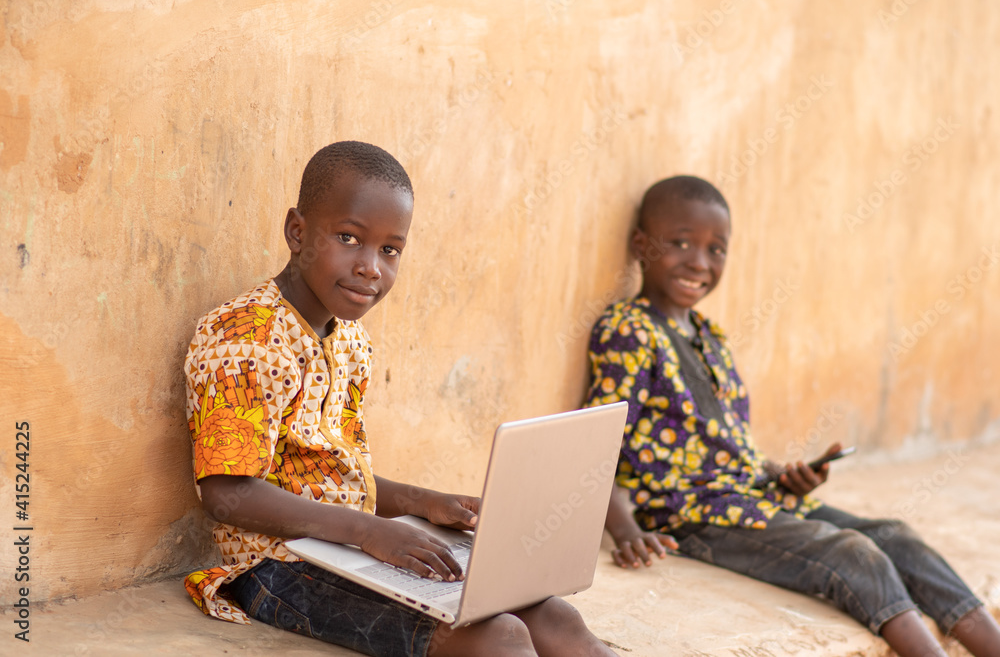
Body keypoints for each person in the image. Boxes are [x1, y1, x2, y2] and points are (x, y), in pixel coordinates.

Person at [183, 141, 616, 657]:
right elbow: (226, 493)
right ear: (297, 232)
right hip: (276, 568)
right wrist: (369, 531)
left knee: (558, 619)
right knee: (500, 637)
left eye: (390, 250)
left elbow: (339, 476)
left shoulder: (349, 339)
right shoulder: (246, 338)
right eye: (349, 238)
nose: (371, 267)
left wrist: (422, 503)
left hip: (347, 548)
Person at [584, 175, 1000, 657]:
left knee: (898, 537)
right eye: (680, 243)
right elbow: (599, 441)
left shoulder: (709, 335)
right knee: (853, 553)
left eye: (716, 249)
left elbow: (725, 444)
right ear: (641, 245)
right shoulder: (629, 331)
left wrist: (784, 476)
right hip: (691, 515)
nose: (699, 261)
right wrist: (626, 530)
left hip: (750, 496)